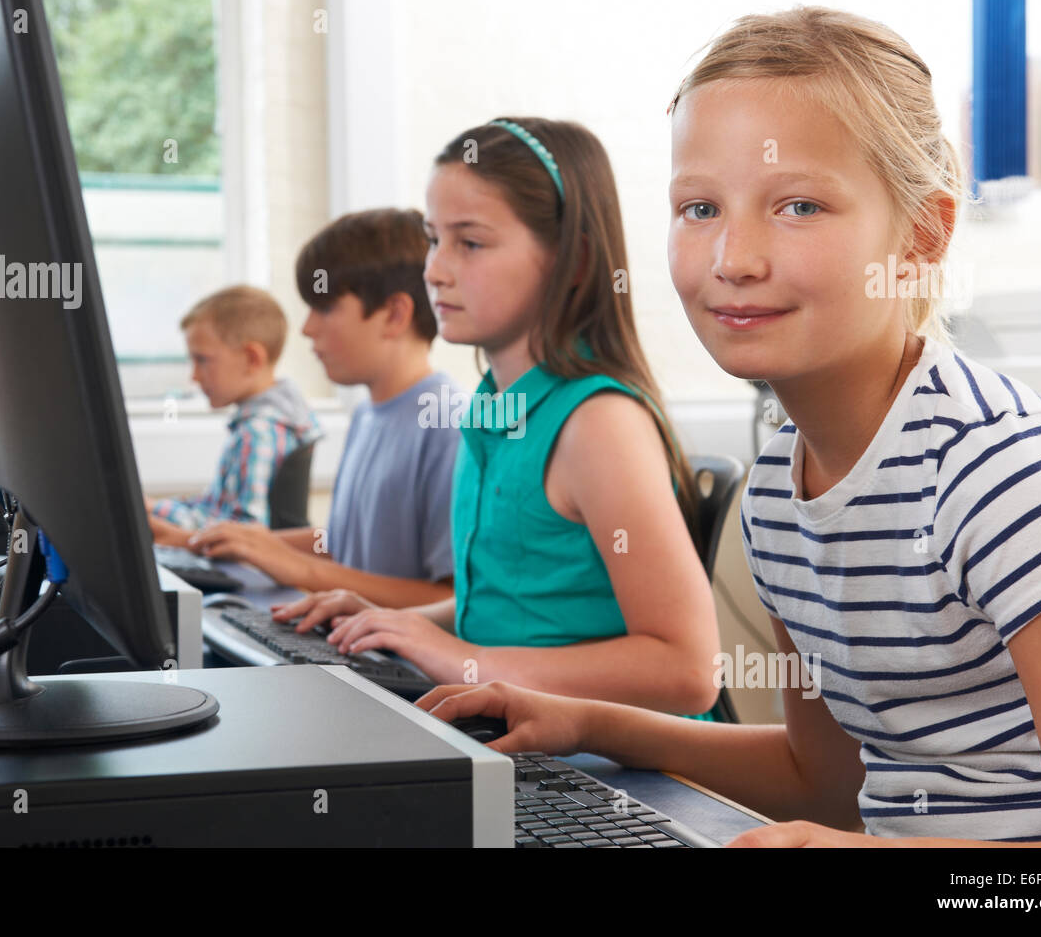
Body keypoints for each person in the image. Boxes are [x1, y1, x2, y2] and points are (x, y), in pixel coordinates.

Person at [418, 7, 1041, 846]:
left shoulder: (1008, 476)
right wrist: (590, 724)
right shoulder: (780, 495)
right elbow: (820, 782)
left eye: (797, 206)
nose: (733, 260)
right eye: (700, 208)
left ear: (924, 234)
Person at [268, 117, 723, 718]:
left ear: (573, 261)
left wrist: (463, 659)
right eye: (434, 238)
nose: (434, 268)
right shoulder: (491, 405)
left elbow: (689, 672)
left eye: (470, 242)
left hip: (618, 779)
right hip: (525, 738)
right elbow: (507, 605)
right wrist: (398, 623)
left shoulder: (597, 423)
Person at [187, 209, 462, 609]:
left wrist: (303, 572)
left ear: (395, 315)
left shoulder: (447, 425)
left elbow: (450, 598)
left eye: (325, 308)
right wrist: (252, 543)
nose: (306, 328)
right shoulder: (368, 414)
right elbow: (347, 545)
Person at [147, 285, 321, 545]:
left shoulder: (259, 432)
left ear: (251, 358)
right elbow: (214, 509)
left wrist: (166, 528)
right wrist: (154, 509)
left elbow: (244, 534)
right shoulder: (274, 419)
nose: (193, 376)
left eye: (202, 360)